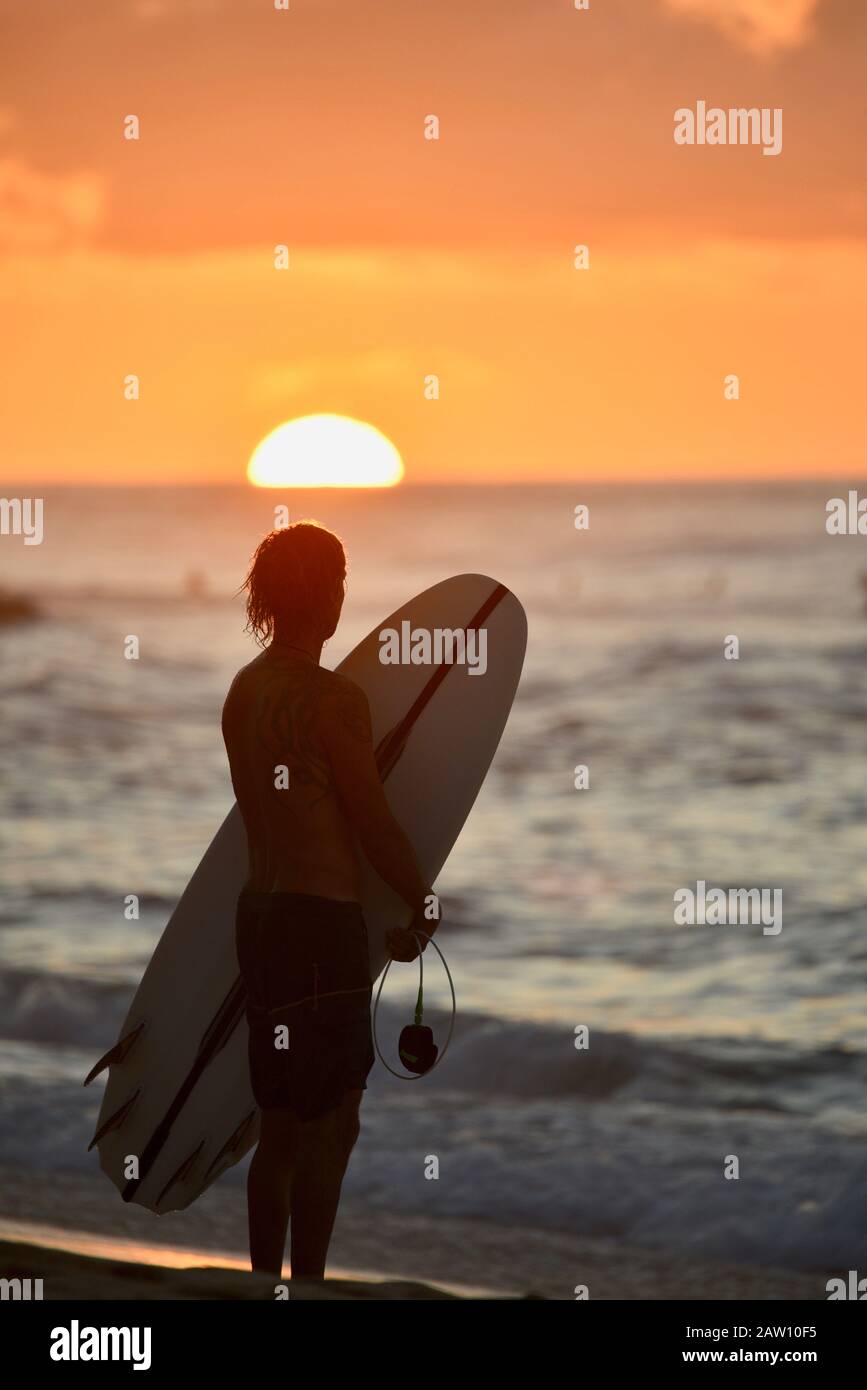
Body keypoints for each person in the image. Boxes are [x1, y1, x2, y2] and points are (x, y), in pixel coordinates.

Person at [221, 520, 438, 1280]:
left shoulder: (242, 693)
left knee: (278, 1122)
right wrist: (421, 897)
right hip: (320, 930)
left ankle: (262, 1286)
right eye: (340, 582)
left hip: (260, 919)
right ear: (327, 594)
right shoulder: (334, 699)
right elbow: (370, 821)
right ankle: (306, 1286)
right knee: (333, 1123)